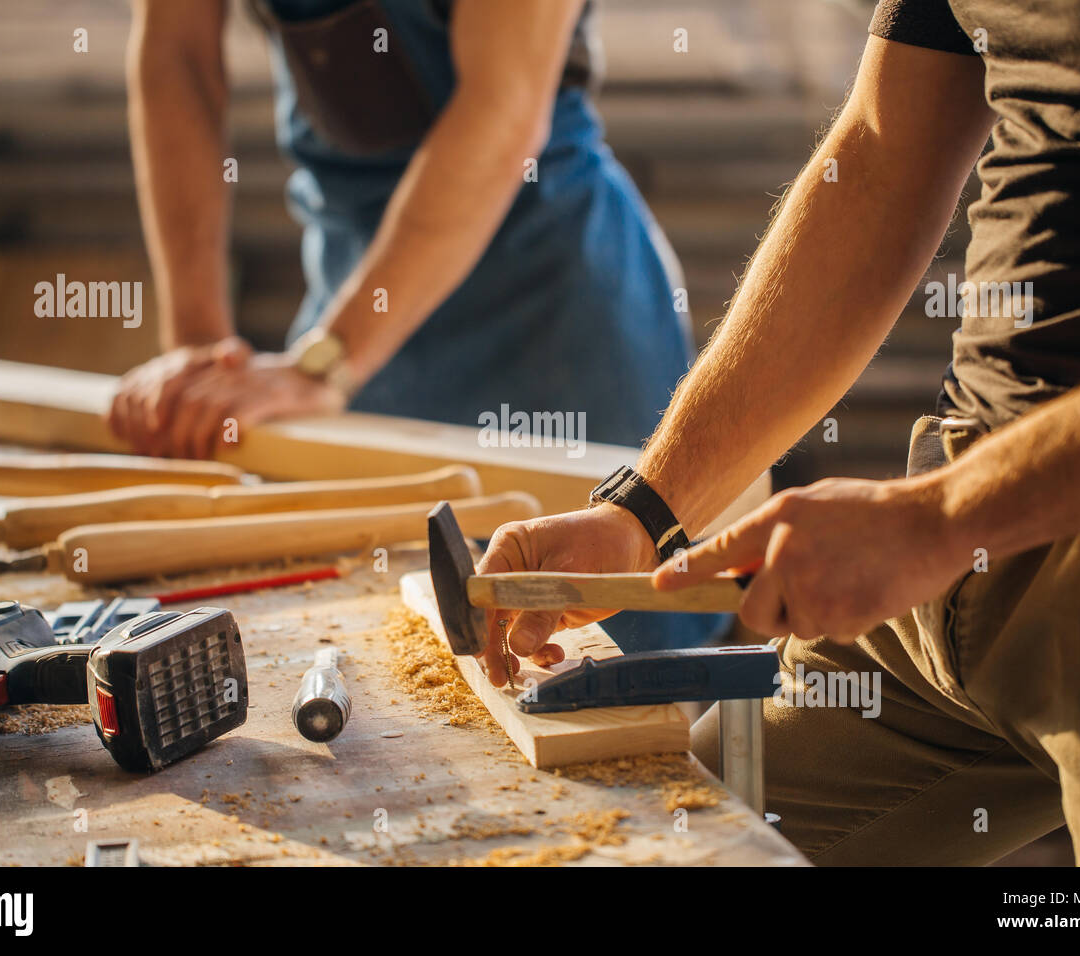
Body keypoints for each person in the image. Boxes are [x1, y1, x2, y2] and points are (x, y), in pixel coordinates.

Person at [473, 0, 1080, 865]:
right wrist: (646, 515)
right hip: (957, 540)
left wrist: (941, 518)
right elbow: (881, 156)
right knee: (674, 847)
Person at [107, 0, 720, 651]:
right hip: (354, 292)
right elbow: (178, 57)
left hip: (553, 306)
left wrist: (332, 357)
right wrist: (205, 355)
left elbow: (502, 106)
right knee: (372, 640)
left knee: (623, 651)